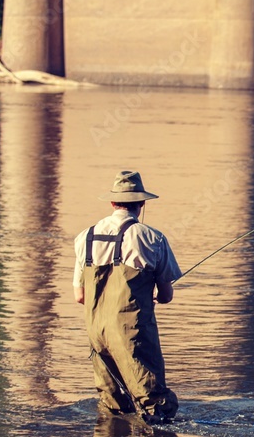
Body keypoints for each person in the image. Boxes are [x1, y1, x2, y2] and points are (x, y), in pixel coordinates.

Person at [73, 170, 181, 424]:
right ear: (141, 203)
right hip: (132, 331)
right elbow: (165, 295)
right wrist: (153, 295)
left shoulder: (84, 237)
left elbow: (80, 296)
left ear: (112, 202)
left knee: (113, 401)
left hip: (96, 331)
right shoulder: (151, 237)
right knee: (154, 403)